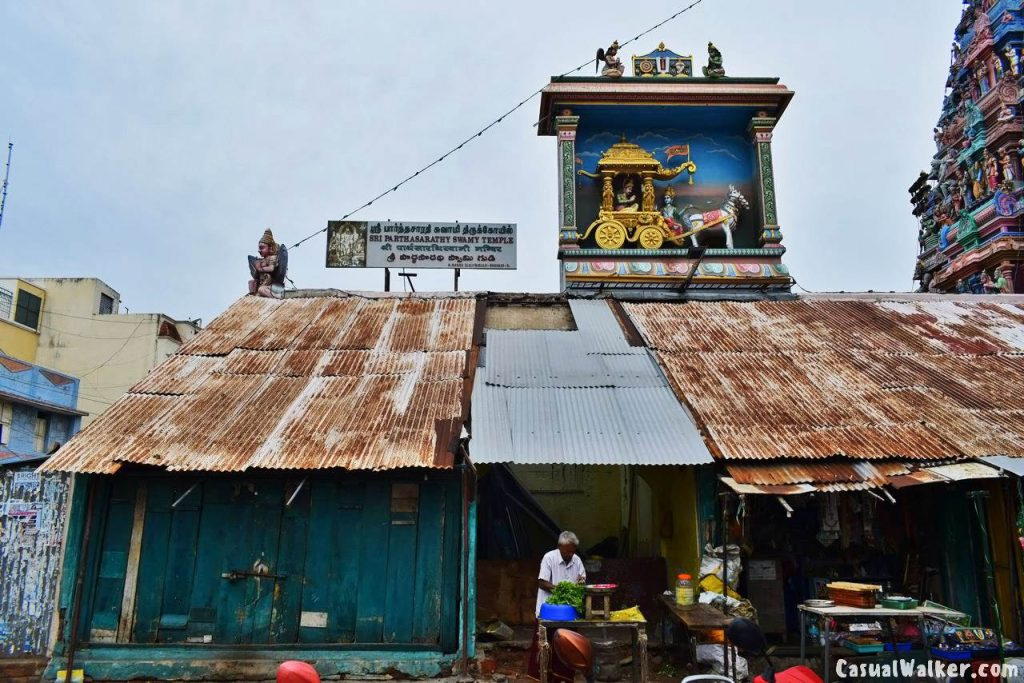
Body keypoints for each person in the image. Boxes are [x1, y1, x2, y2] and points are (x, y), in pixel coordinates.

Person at [527, 531, 587, 680]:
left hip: (569, 612)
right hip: (548, 611)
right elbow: (542, 582)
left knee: (567, 646)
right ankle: (541, 677)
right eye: (567, 551)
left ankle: (564, 677)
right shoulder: (549, 558)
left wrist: (580, 582)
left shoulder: (577, 560)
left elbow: (582, 579)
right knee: (545, 646)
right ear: (560, 547)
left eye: (573, 551)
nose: (570, 554)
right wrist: (561, 590)